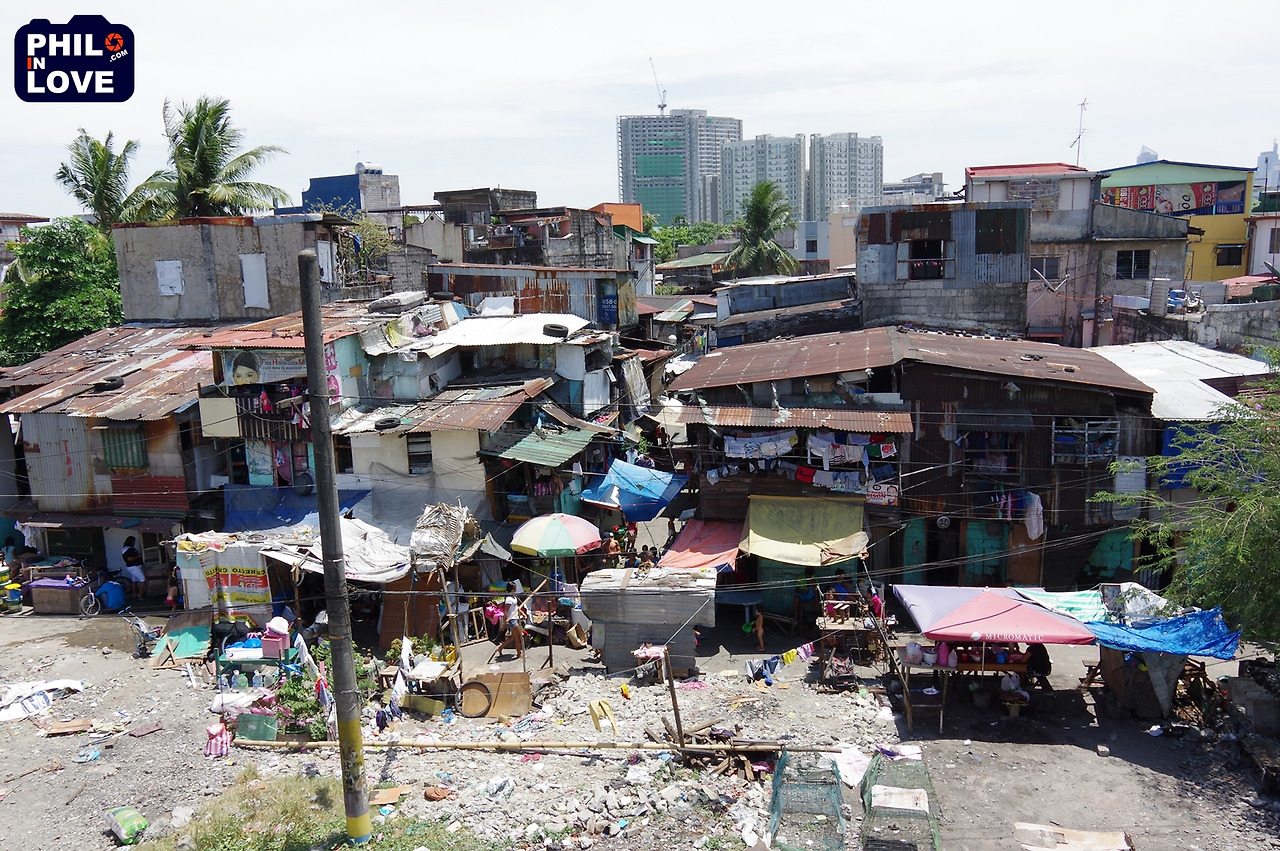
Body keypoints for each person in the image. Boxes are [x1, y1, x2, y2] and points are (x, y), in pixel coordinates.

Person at [120, 536, 147, 601]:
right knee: (142, 580)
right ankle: (140, 595)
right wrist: (138, 556)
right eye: (133, 541)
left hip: (134, 566)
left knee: (134, 580)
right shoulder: (127, 550)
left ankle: (134, 594)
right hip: (133, 566)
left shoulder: (129, 548)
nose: (134, 542)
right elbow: (130, 558)